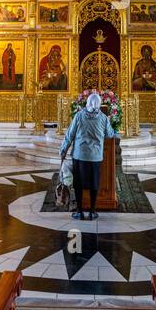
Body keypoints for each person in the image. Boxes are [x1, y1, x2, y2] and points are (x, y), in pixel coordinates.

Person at [60, 91, 116, 221]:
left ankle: (79, 211)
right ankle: (92, 211)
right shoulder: (103, 118)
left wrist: (63, 150)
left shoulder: (79, 116)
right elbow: (110, 134)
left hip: (79, 155)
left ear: (88, 102)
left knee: (78, 183)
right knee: (94, 183)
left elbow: (70, 135)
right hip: (95, 157)